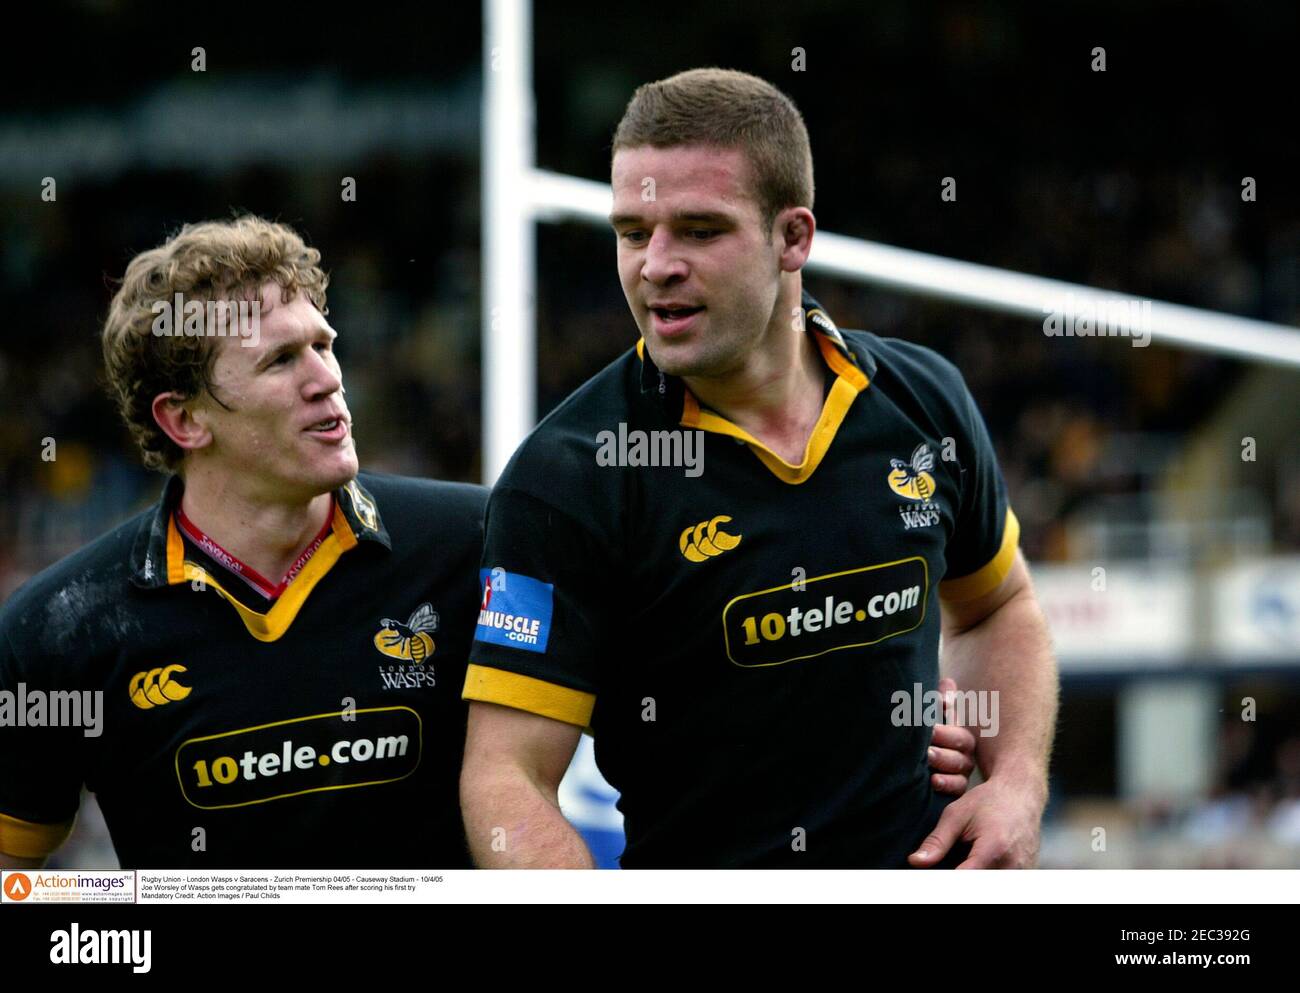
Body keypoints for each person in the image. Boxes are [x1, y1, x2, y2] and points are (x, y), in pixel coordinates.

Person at [460, 68, 1057, 868]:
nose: (655, 265)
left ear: (794, 237)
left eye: (699, 230)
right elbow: (506, 776)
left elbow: (997, 607)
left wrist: (1017, 781)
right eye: (634, 232)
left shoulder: (923, 400)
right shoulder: (566, 475)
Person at [0, 217, 485, 869]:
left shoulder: (474, 543)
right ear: (184, 418)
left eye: (323, 344)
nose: (327, 379)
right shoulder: (56, 630)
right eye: (281, 360)